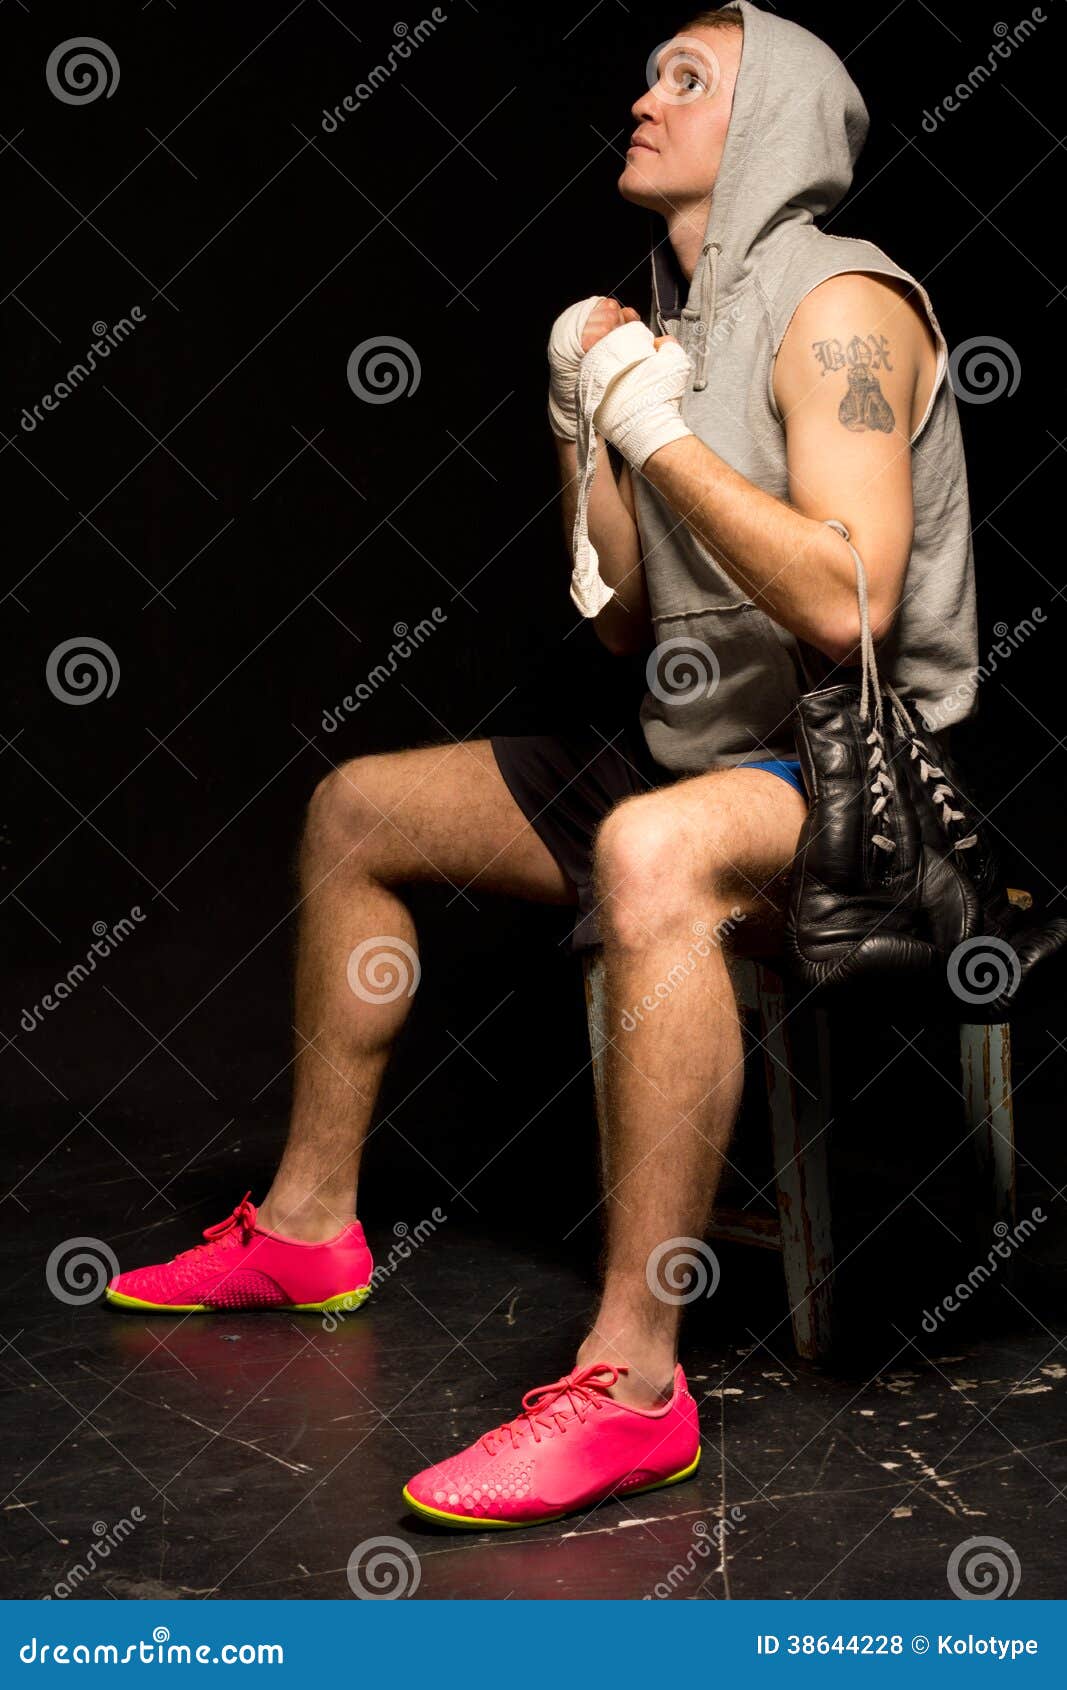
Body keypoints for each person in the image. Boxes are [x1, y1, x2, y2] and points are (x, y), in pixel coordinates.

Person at [104, 1, 977, 1529]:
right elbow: (638, 627)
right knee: (356, 807)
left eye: (688, 81)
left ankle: (636, 1387)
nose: (644, 99)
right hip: (697, 757)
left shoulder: (841, 306)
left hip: (862, 792)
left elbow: (850, 607)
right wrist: (597, 430)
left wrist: (656, 429)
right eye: (646, 73)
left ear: (769, 119)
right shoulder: (672, 311)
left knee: (652, 853)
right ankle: (310, 1227)